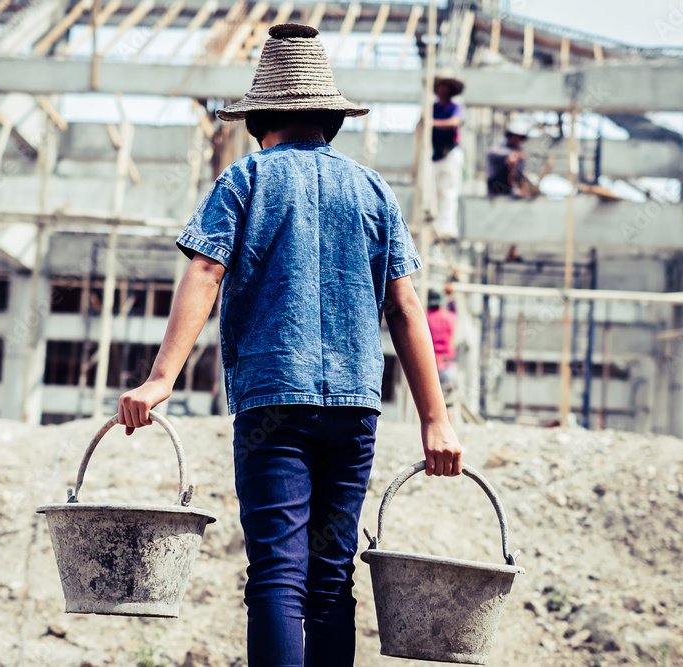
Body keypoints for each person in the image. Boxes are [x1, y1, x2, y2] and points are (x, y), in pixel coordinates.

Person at [115, 24, 462, 667]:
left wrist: (161, 378)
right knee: (331, 578)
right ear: (331, 120)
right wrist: (435, 421)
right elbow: (405, 306)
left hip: (273, 403)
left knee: (278, 573)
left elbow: (206, 270)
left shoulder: (245, 179)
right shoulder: (373, 190)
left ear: (257, 120)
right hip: (354, 409)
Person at [431, 73, 465, 240]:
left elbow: (455, 122)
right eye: (441, 85)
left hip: (450, 153)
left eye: (447, 86)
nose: (443, 89)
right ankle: (434, 226)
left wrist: (432, 123)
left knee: (448, 192)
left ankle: (447, 228)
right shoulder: (432, 107)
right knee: (433, 190)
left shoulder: (455, 107)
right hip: (434, 154)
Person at [486, 118, 531, 197]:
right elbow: (491, 152)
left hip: (509, 186)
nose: (516, 139)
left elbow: (520, 171)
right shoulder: (500, 145)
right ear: (510, 136)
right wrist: (511, 154)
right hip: (495, 183)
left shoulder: (521, 151)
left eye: (519, 137)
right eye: (514, 136)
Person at [426, 289, 458, 395]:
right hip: (448, 365)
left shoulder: (426, 319)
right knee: (448, 400)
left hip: (432, 366)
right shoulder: (449, 317)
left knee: (430, 400)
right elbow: (454, 312)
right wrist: (450, 296)